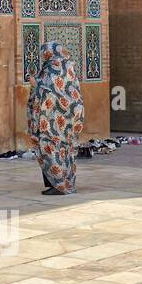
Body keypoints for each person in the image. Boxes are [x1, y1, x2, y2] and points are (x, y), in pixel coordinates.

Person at [29, 40, 85, 194]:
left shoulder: (54, 67)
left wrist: (36, 84)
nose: (43, 56)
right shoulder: (68, 67)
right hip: (68, 118)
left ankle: (60, 186)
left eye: (44, 53)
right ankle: (59, 183)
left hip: (55, 120)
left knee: (52, 149)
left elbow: (52, 91)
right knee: (65, 151)